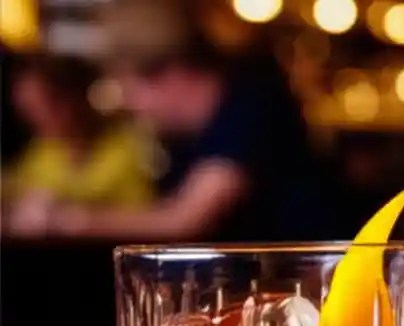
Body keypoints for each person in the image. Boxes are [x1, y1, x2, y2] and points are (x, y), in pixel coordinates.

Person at [11, 0, 336, 241]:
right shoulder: (183, 139)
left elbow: (185, 219)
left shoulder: (250, 105)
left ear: (167, 73)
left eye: (126, 84)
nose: (126, 101)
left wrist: (65, 220)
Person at [4, 55, 151, 215]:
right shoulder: (40, 152)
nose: (36, 118)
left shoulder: (129, 147)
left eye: (45, 105)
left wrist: (70, 215)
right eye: (28, 110)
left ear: (77, 97)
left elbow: (145, 216)